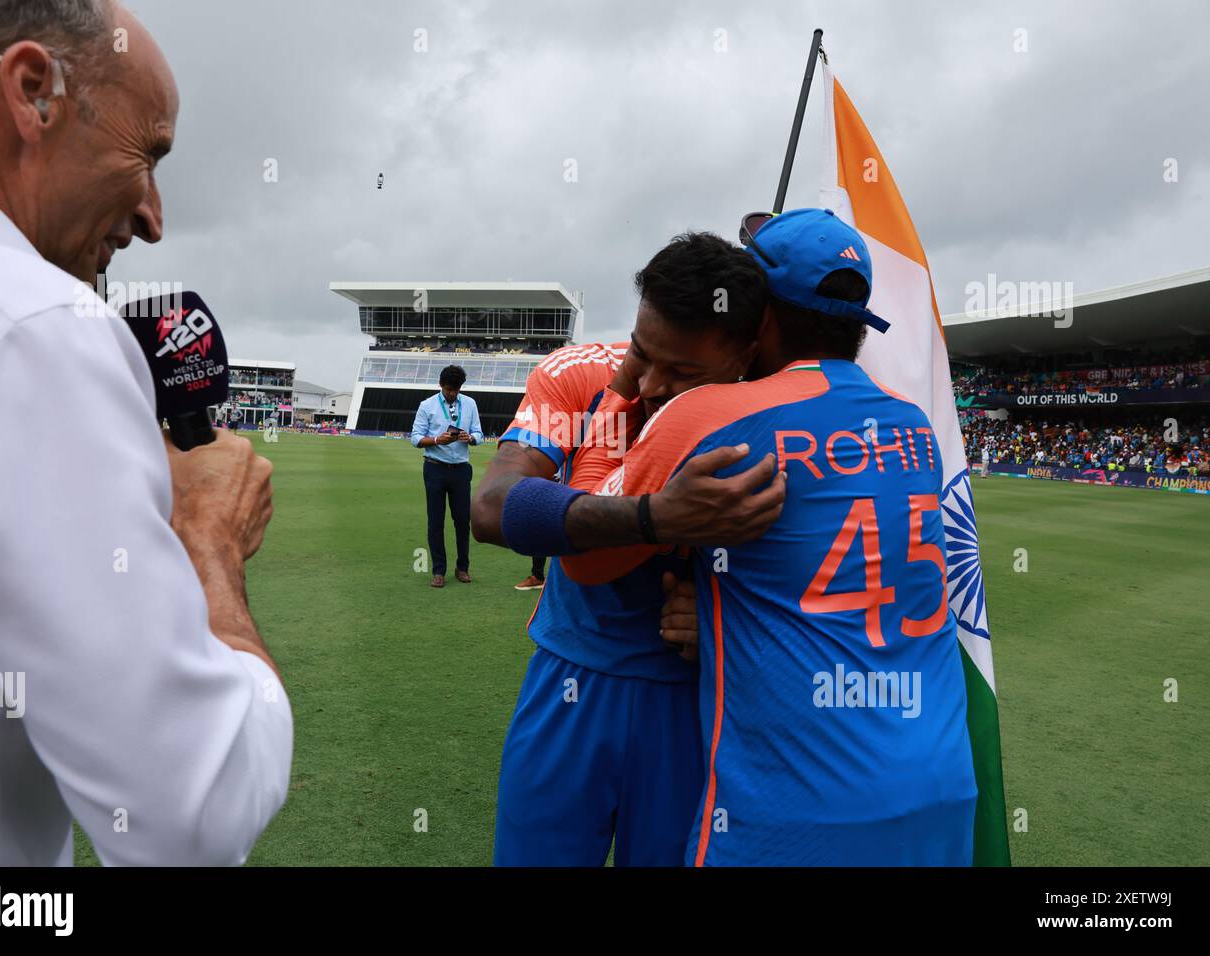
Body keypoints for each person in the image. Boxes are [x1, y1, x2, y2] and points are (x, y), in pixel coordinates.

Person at [0, 0, 291, 865]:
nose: (155, 216)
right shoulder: (31, 325)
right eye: (148, 154)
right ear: (32, 92)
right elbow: (190, 816)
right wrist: (208, 543)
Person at [557, 209, 978, 865]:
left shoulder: (708, 413)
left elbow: (583, 555)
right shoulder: (912, 424)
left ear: (757, 313)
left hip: (796, 810)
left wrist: (623, 386)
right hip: (941, 789)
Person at [471, 234, 783, 865]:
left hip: (696, 696)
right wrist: (651, 516)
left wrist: (727, 618)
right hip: (568, 678)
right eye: (643, 352)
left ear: (745, 356)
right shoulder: (576, 374)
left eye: (684, 374)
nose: (651, 384)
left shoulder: (775, 406)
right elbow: (491, 507)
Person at [410, 365, 483, 587]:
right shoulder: (427, 405)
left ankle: (463, 568)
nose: (453, 393)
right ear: (441, 385)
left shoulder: (469, 403)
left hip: (461, 469)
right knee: (436, 521)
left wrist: (469, 438)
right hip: (435, 468)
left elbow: (480, 434)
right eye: (450, 389)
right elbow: (415, 438)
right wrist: (435, 440)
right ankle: (438, 571)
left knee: (462, 521)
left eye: (457, 390)